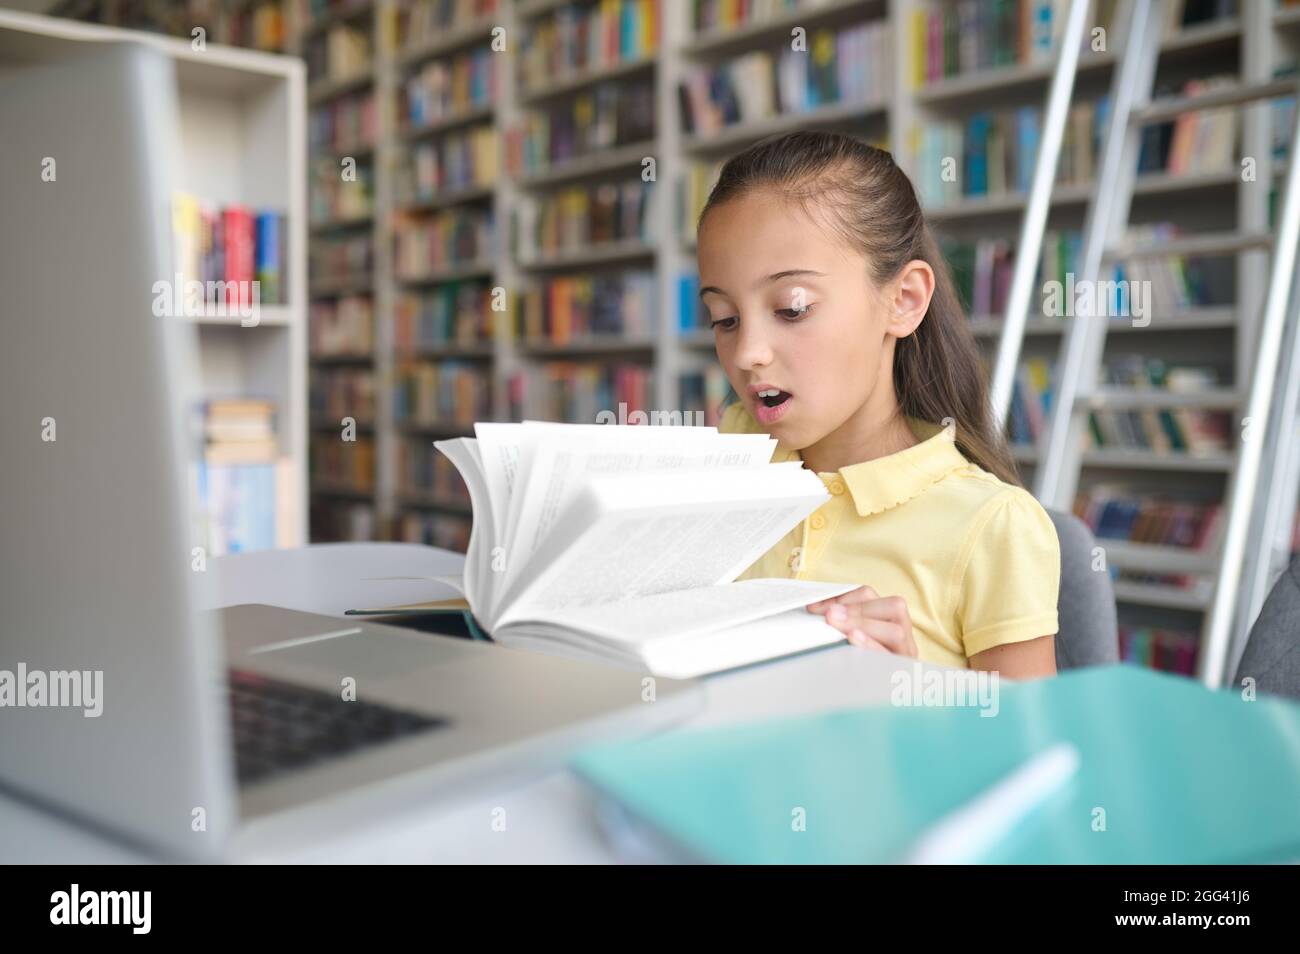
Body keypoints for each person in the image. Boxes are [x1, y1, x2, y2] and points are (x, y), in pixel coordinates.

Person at [697, 131, 1059, 679]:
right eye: (724, 318)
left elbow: (1032, 755)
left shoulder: (992, 527)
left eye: (792, 309)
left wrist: (910, 696)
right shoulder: (727, 462)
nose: (746, 353)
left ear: (903, 301)